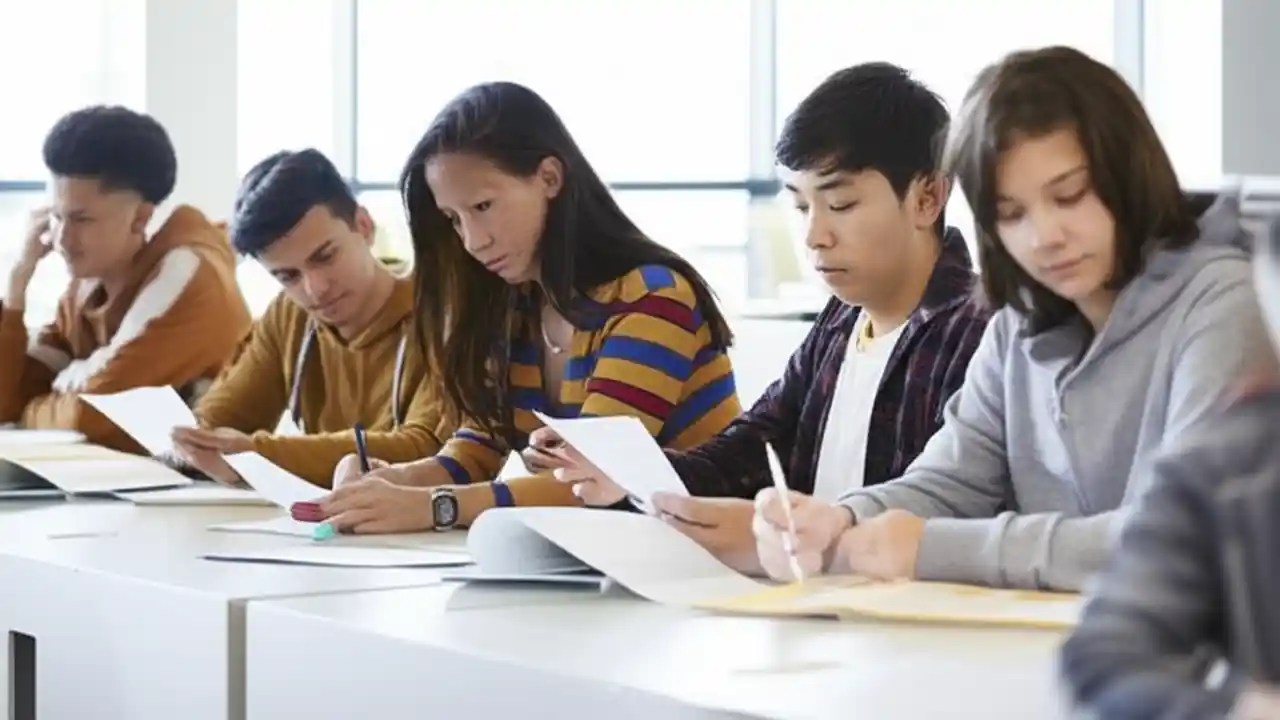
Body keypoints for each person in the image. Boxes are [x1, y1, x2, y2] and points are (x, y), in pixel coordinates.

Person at [752, 46, 1268, 591]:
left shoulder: (1225, 304)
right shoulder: (1016, 326)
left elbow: (1188, 537)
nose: (1044, 237)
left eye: (1069, 196)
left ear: (1129, 173)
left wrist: (929, 549)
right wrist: (843, 519)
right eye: (1011, 214)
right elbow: (949, 482)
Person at [525, 63, 989, 573]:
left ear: (928, 198)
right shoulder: (840, 322)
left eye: (840, 203)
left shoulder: (979, 331)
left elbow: (951, 506)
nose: (815, 236)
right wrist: (630, 478)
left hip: (911, 620)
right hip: (816, 605)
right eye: (800, 207)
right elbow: (749, 448)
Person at [319, 82, 741, 533]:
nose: (472, 240)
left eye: (483, 206)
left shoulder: (651, 298)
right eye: (454, 219)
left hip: (704, 557)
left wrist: (434, 505)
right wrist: (388, 484)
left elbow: (591, 480)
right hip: (601, 558)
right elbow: (476, 448)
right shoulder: (512, 303)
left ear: (549, 179)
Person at [1058, 217, 1280, 720]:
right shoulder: (1222, 471)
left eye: (1067, 200)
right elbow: (1108, 657)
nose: (1047, 235)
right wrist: (1242, 712)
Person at [170, 149, 454, 488]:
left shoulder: (442, 314)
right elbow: (217, 421)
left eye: (325, 257)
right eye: (288, 276)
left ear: (364, 226)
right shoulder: (290, 316)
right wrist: (193, 442)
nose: (315, 289)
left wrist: (256, 455)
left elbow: (425, 447)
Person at [0, 105, 251, 451]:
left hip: (208, 494)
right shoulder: (87, 283)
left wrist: (30, 412)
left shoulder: (188, 274)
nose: (62, 241)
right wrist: (16, 287)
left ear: (140, 218)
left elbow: (95, 419)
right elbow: (4, 402)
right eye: (57, 217)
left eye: (82, 220)